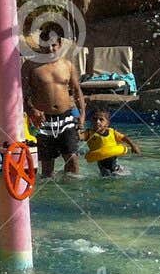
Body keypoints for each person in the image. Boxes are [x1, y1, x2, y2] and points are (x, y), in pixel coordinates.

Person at [21, 30, 86, 179]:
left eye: (53, 45)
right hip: (43, 121)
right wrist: (31, 110)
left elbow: (77, 91)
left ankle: (72, 195)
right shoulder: (30, 66)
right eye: (45, 46)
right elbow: (20, 94)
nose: (49, 49)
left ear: (60, 44)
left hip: (66, 118)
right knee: (47, 169)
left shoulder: (67, 65)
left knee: (72, 162)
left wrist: (82, 115)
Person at [84, 106, 142, 177]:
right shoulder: (89, 133)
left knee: (115, 171)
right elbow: (80, 136)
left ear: (107, 123)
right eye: (94, 119)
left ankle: (119, 169)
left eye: (101, 119)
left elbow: (124, 137)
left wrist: (133, 145)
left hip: (113, 158)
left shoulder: (112, 132)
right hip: (101, 159)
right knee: (106, 174)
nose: (97, 121)